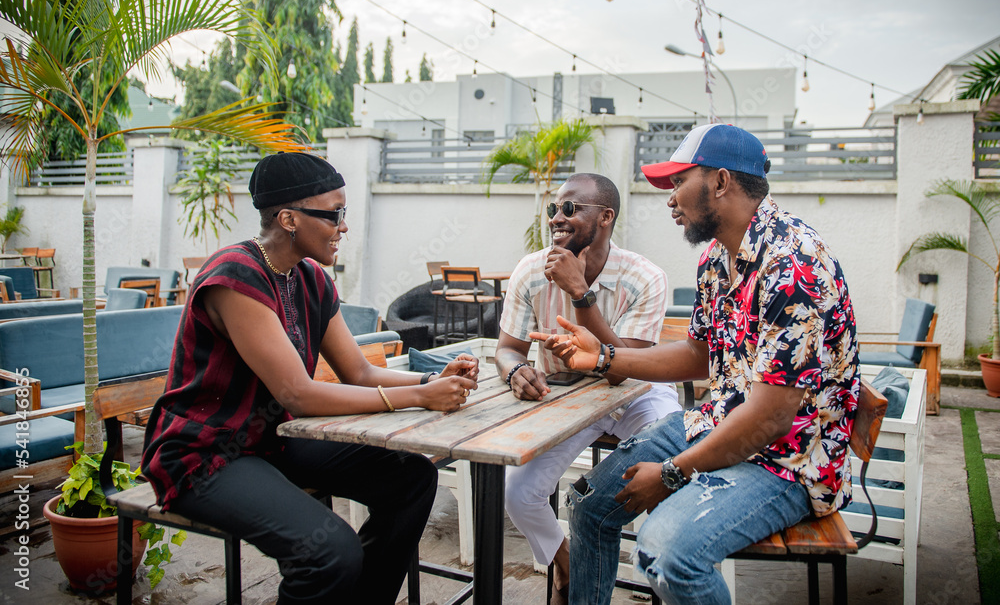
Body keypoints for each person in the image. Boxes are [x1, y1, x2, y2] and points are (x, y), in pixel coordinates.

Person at [532, 124, 861, 605]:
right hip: (719, 422)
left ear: (721, 182)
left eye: (678, 182)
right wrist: (604, 357)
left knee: (667, 554)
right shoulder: (718, 257)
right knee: (587, 503)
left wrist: (671, 472)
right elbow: (697, 354)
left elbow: (771, 418)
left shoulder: (793, 266)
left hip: (787, 461)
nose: (669, 199)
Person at [142, 152, 479, 605]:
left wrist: (432, 381)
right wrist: (421, 398)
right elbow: (296, 394)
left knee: (411, 477)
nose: (344, 227)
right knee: (328, 553)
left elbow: (358, 371)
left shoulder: (311, 279)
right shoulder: (235, 276)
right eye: (334, 214)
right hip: (206, 454)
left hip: (273, 439)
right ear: (288, 219)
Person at [495, 172, 680, 601]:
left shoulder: (644, 277)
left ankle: (666, 576)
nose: (556, 218)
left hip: (638, 393)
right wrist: (515, 370)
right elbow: (506, 349)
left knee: (671, 465)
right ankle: (566, 562)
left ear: (605, 217)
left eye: (570, 208)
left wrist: (580, 293)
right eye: (553, 209)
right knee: (518, 492)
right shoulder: (531, 271)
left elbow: (622, 371)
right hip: (566, 397)